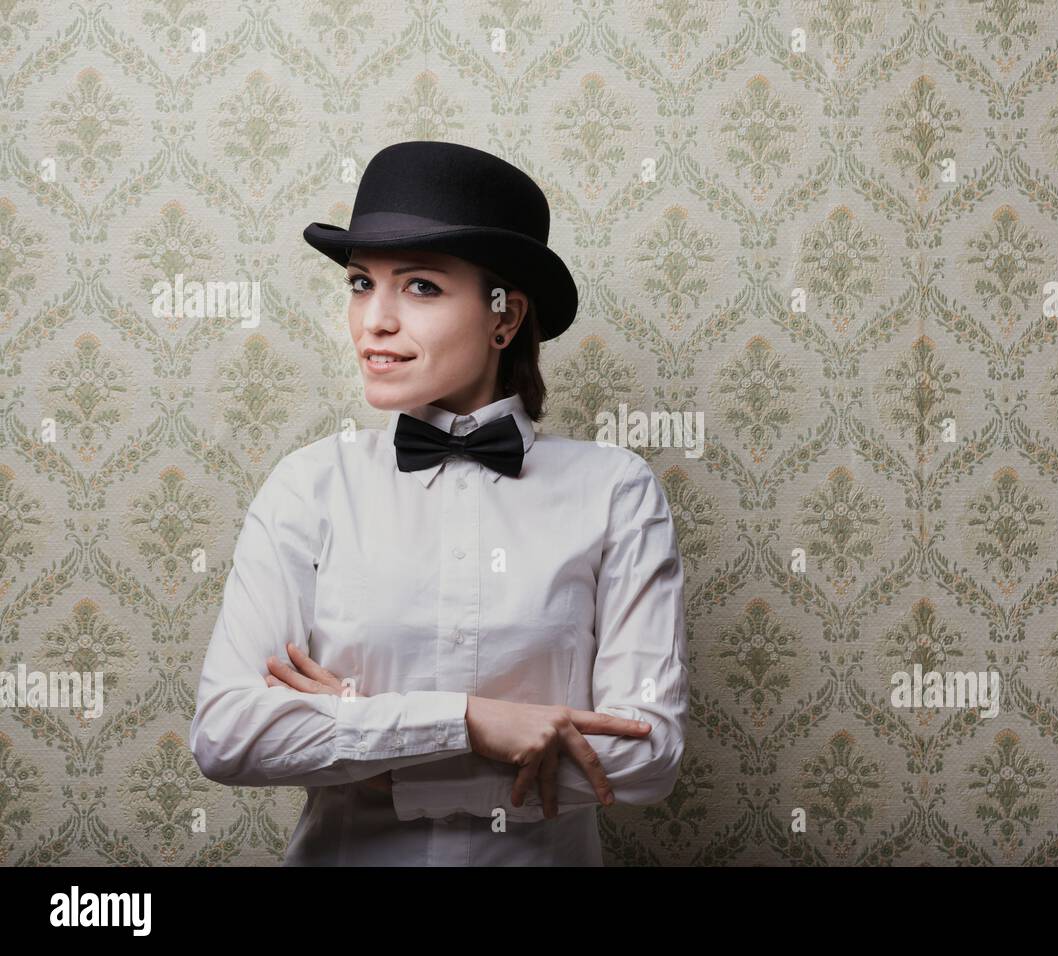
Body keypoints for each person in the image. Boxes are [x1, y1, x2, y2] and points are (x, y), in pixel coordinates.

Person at [187, 141, 688, 866]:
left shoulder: (616, 492)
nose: (374, 322)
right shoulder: (307, 488)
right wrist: (471, 724)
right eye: (362, 282)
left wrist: (358, 730)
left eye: (420, 286)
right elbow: (230, 736)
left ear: (504, 317)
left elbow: (648, 755)